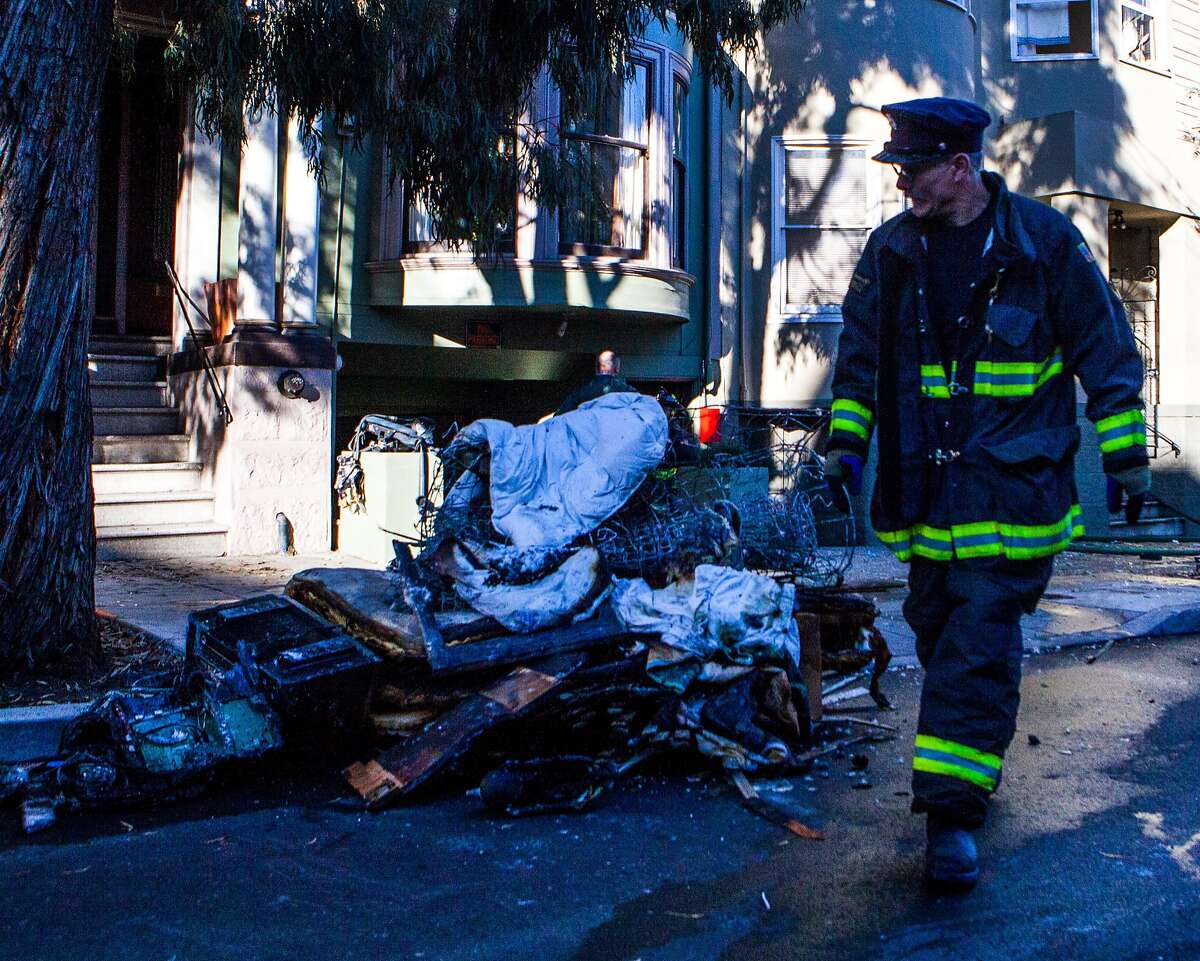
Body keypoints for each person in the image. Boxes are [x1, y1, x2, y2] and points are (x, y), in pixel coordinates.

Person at [824, 97, 1149, 891]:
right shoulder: (892, 252)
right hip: (926, 504)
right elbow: (860, 360)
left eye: (914, 169)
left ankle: (950, 819)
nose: (903, 185)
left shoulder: (1042, 244)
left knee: (975, 647)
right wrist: (844, 448)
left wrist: (1125, 455)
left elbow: (1103, 347)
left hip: (1011, 497)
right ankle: (969, 767)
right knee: (941, 639)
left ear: (961, 166)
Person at [555, 348, 637, 415]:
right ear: (616, 369)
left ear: (598, 367)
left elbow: (560, 414)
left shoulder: (582, 389)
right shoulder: (625, 390)